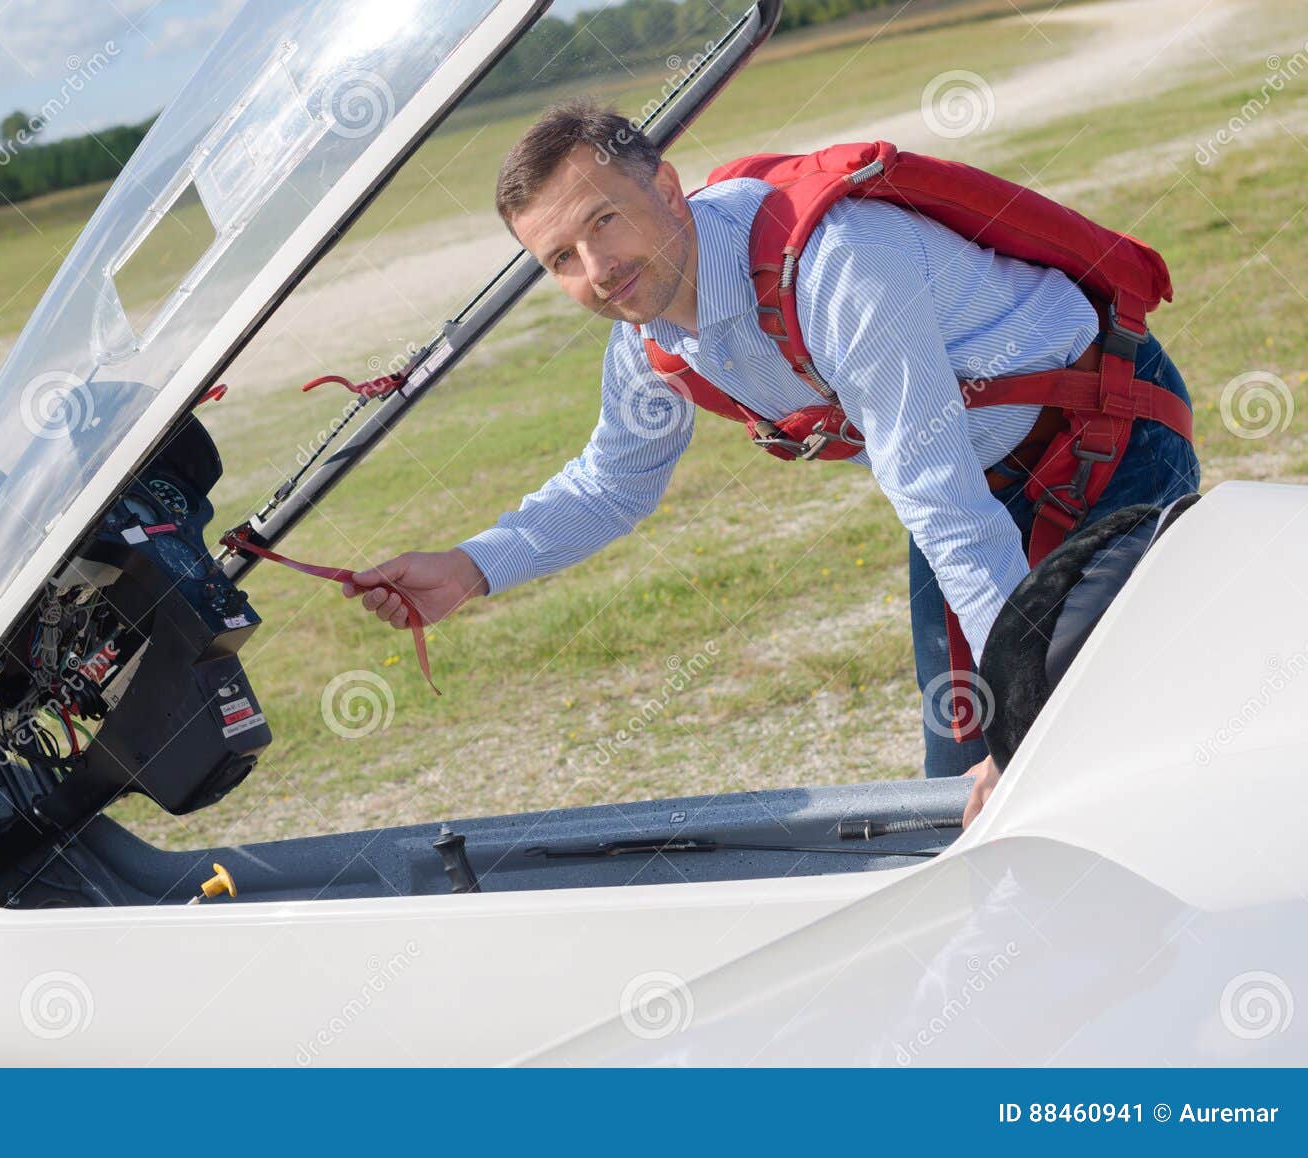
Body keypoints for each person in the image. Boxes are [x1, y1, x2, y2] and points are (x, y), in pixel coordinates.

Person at [341, 100, 1199, 811]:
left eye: (603, 221)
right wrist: (468, 568)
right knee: (964, 791)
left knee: (1105, 757)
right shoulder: (650, 343)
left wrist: (1023, 727)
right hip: (974, 488)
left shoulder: (838, 268)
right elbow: (611, 486)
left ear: (668, 190)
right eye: (560, 258)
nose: (597, 269)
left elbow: (942, 506)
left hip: (1107, 441)